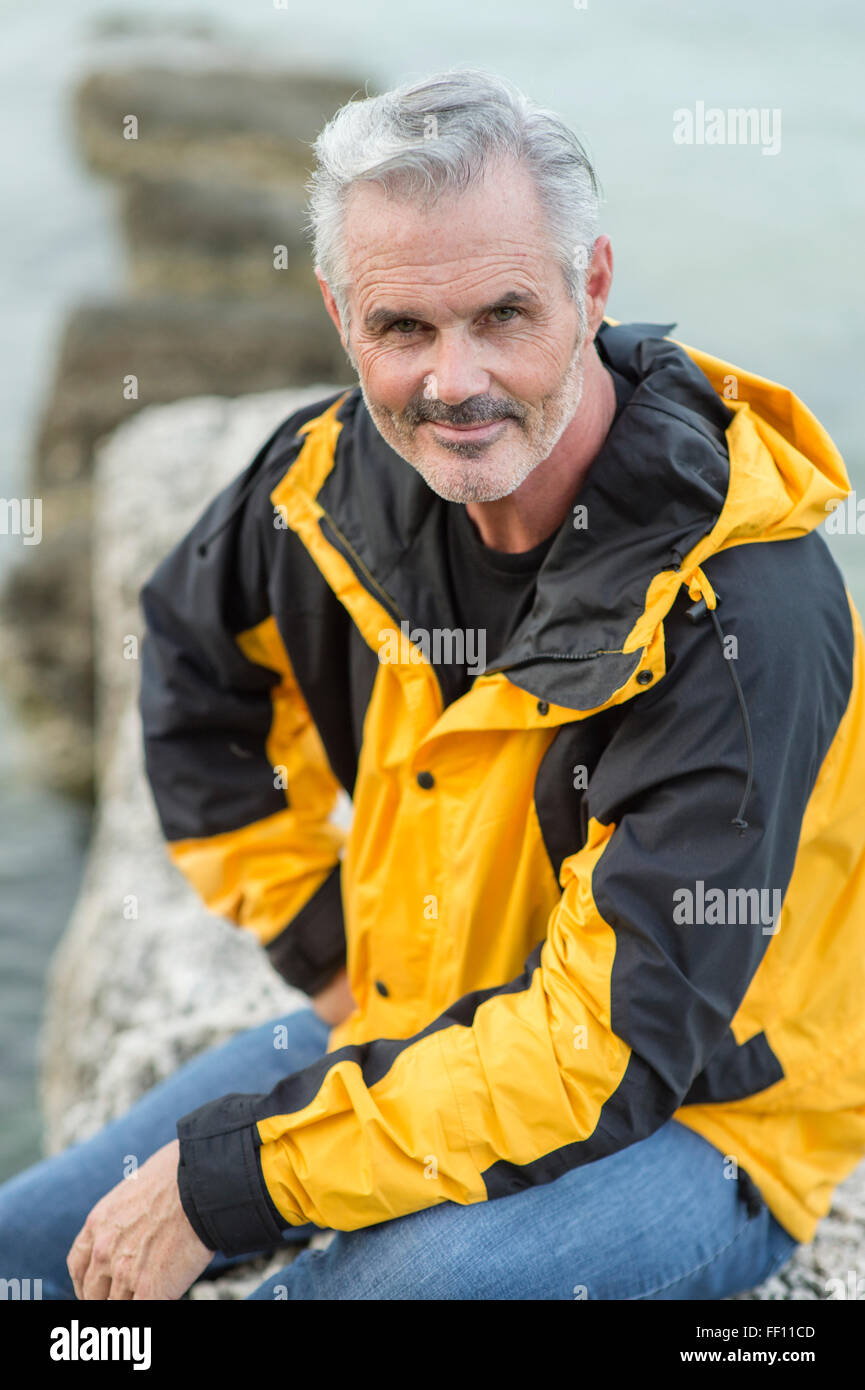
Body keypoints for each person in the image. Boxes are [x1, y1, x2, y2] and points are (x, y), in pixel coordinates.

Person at [3, 66, 864, 1302]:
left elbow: (604, 1050)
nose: (452, 383)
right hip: (414, 1017)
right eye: (402, 328)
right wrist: (320, 947)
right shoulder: (321, 485)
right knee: (24, 1259)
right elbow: (191, 674)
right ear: (338, 312)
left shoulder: (741, 611)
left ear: (593, 284)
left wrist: (227, 1181)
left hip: (699, 1109)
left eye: (503, 314)